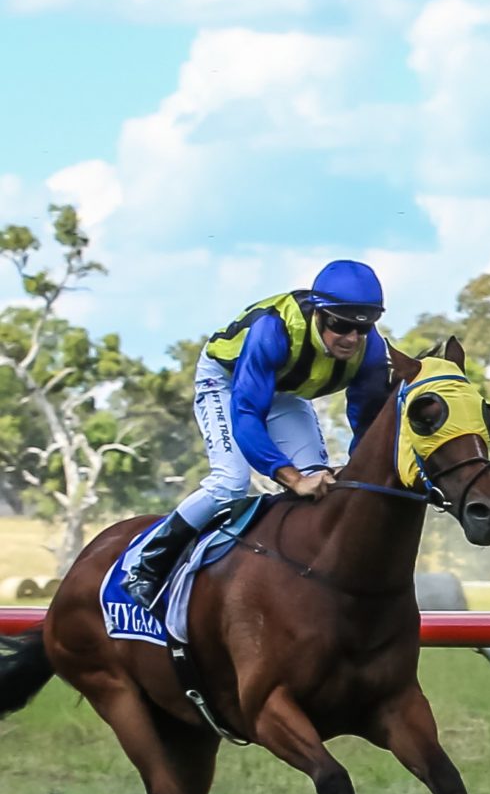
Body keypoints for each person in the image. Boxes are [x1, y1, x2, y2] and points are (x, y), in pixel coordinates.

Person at [124, 259, 394, 609]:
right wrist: (292, 478)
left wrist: (353, 467)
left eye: (364, 327)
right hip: (227, 382)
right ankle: (147, 564)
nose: (352, 338)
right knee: (231, 483)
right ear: (318, 313)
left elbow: (367, 421)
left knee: (320, 483)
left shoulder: (372, 352)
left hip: (285, 390)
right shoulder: (274, 330)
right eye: (341, 325)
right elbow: (247, 415)